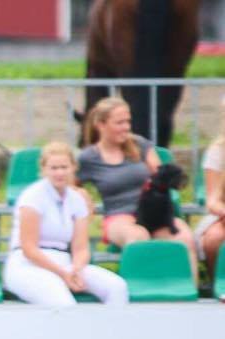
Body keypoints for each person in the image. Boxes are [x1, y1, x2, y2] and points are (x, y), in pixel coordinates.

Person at [4, 141, 128, 307]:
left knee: (117, 287)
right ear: (44, 169)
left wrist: (76, 269)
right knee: (62, 302)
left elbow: (81, 248)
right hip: (28, 266)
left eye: (64, 167)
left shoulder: (76, 200)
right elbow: (29, 249)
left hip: (65, 262)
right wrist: (63, 274)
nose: (59, 173)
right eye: (54, 168)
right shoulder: (32, 197)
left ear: (73, 168)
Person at [78, 96, 193, 250]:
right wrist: (82, 194)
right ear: (101, 125)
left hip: (153, 214)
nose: (126, 127)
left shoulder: (139, 144)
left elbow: (160, 176)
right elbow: (70, 186)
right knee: (139, 237)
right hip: (119, 216)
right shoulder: (89, 157)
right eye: (119, 123)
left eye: (128, 121)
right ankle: (140, 266)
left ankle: (185, 267)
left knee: (184, 239)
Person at [195, 93, 225, 283]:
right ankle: (219, 283)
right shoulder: (218, 151)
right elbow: (212, 200)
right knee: (214, 238)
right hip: (222, 215)